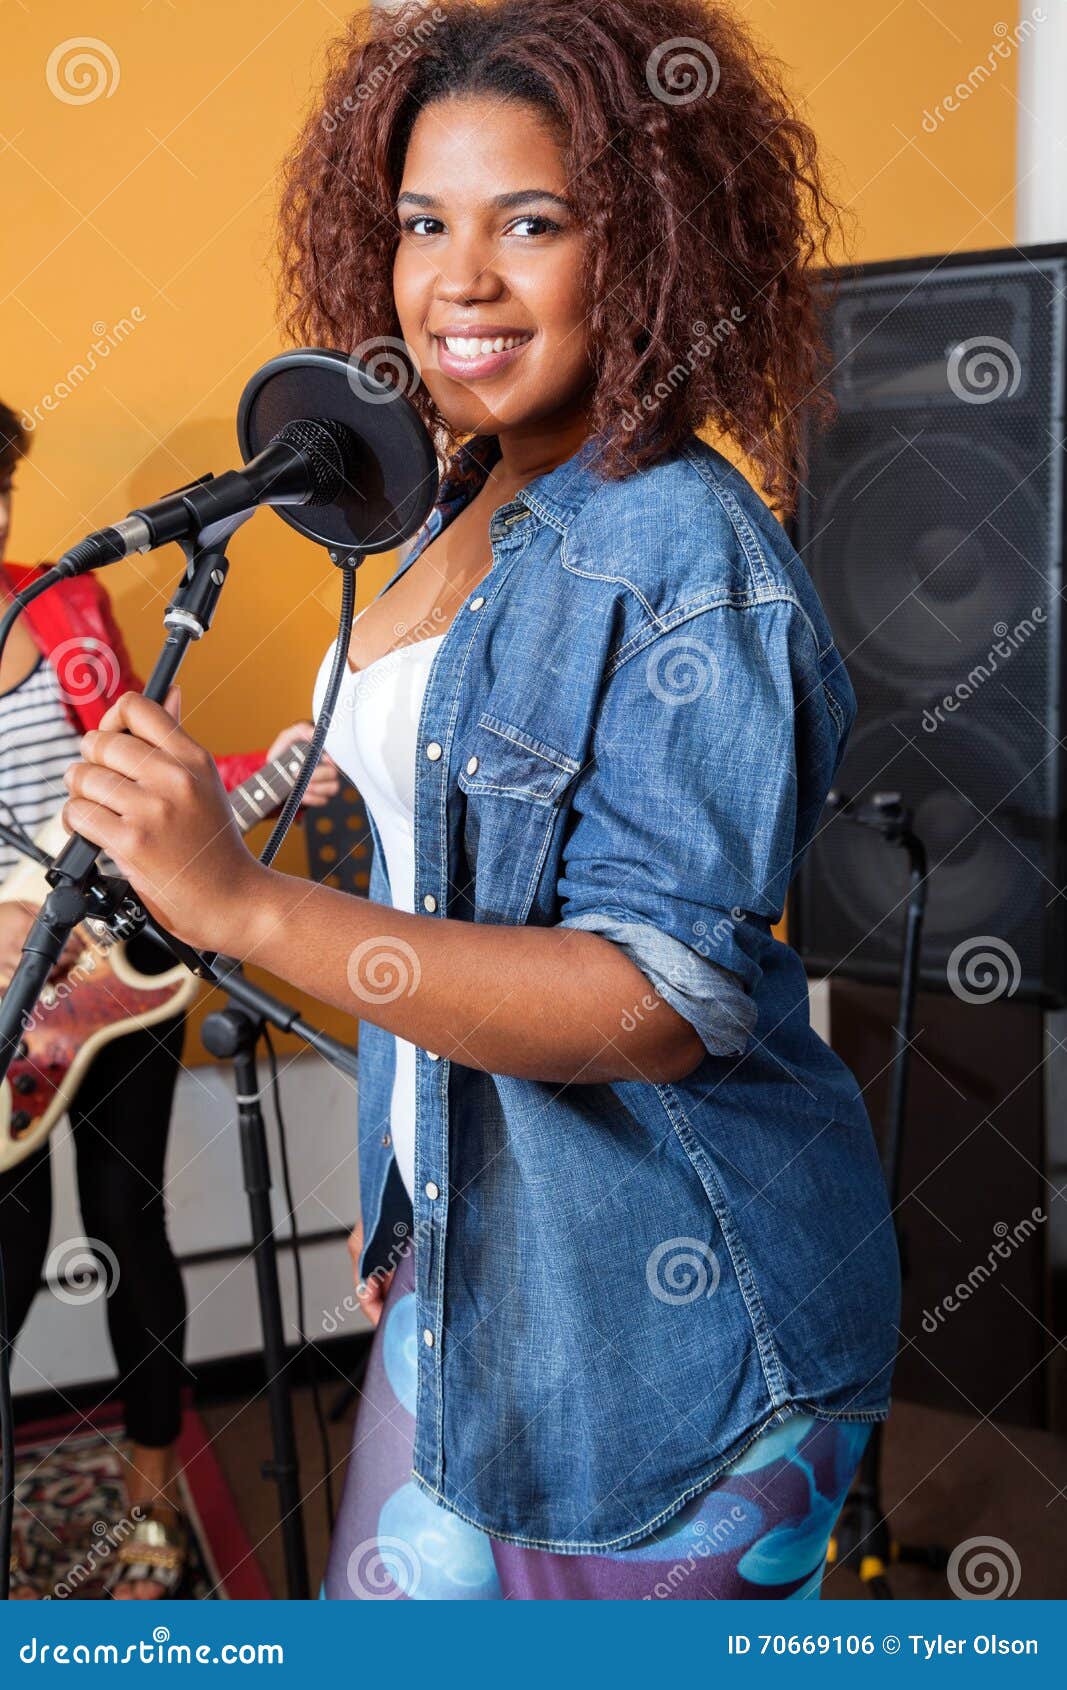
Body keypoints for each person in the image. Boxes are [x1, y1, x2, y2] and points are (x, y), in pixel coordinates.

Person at [65, 0, 902, 1600]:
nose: (459, 279)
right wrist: (413, 1205)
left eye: (532, 222)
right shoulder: (458, 490)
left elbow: (656, 999)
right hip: (480, 1270)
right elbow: (435, 883)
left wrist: (244, 902)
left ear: (650, 243)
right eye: (420, 224)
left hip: (670, 1332)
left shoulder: (680, 554)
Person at [0, 399, 339, 1598]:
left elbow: (145, 776)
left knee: (129, 1229)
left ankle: (150, 1488)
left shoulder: (61, 604)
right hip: (6, 1018)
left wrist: (269, 772)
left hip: (122, 984)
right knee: (10, 1259)